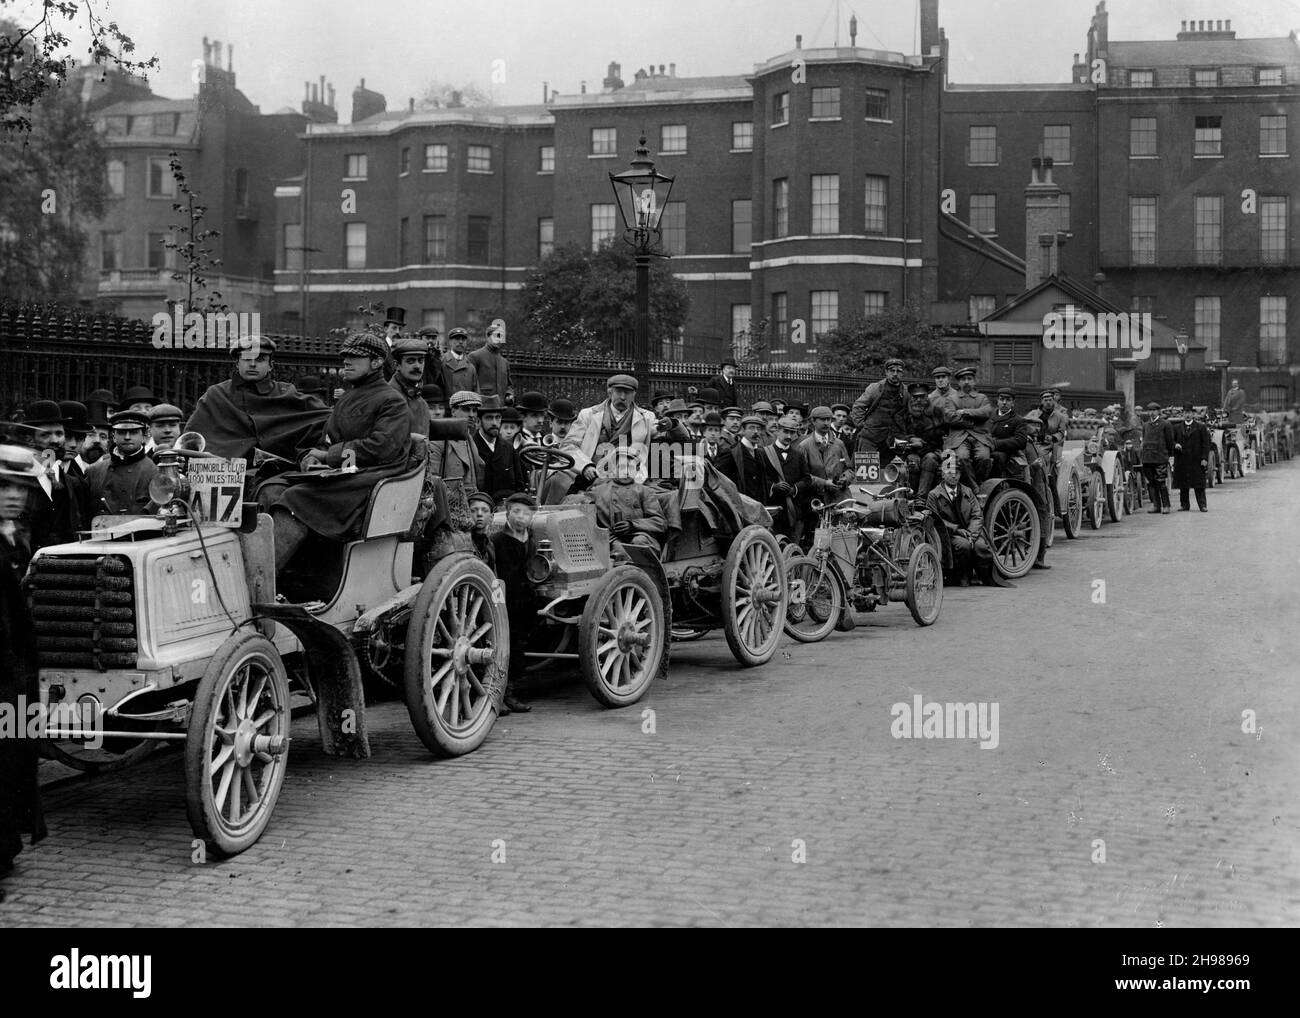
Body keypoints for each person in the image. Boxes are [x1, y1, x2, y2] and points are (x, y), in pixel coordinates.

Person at [271, 332, 412, 572]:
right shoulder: (349, 397)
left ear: (377, 362)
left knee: (296, 498)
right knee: (271, 488)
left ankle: (260, 581)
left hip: (372, 478)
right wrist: (312, 457)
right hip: (346, 473)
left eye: (355, 357)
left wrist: (328, 457)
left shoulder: (392, 400)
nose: (346, 361)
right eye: (345, 356)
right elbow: (328, 439)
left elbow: (381, 448)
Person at [0, 436, 46, 889]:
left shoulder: (15, 539)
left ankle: (6, 847)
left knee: (15, 761)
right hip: (2, 676)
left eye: (21, 488)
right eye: (4, 487)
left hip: (15, 676)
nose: (15, 496)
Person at [186, 337, 330, 465]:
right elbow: (191, 439)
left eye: (260, 359)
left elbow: (327, 417)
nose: (253, 364)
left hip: (276, 471)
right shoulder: (216, 394)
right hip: (224, 471)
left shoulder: (286, 392)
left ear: (270, 366)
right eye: (247, 359)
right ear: (237, 363)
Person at [490, 492, 538, 715]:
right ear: (508, 514)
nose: (521, 517)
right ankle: (498, 695)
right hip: (505, 599)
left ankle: (511, 692)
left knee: (519, 646)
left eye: (526, 513)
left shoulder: (532, 540)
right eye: (516, 512)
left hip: (525, 600)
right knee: (502, 646)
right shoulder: (499, 541)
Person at [565, 373, 657, 482]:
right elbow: (568, 445)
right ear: (610, 392)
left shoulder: (647, 417)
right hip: (593, 478)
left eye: (627, 393)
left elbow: (665, 435)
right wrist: (585, 466)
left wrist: (673, 426)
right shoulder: (588, 415)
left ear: (634, 394)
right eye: (618, 392)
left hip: (629, 479)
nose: (622, 397)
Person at [926, 452, 992, 585]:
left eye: (956, 472)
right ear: (943, 475)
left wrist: (972, 534)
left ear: (960, 475)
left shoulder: (967, 491)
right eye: (949, 472)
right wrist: (957, 530)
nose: (953, 475)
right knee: (963, 545)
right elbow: (935, 520)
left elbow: (977, 515)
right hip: (947, 534)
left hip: (970, 532)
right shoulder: (934, 495)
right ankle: (960, 576)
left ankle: (983, 576)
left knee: (980, 546)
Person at [587, 445, 668, 552]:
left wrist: (633, 525)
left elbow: (660, 523)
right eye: (621, 467)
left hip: (639, 535)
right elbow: (586, 515)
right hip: (610, 539)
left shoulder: (645, 491)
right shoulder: (598, 491)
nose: (626, 472)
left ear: (637, 469)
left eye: (631, 468)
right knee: (618, 549)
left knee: (639, 543)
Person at [85, 409, 158, 515]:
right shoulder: (94, 471)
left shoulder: (153, 472)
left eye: (133, 432)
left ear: (143, 436)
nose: (127, 437)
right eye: (122, 432)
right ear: (114, 436)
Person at [941, 367, 994, 488]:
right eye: (963, 379)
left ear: (974, 381)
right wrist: (973, 422)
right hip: (959, 437)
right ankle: (974, 487)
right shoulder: (951, 399)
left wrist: (965, 411)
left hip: (980, 436)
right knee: (961, 458)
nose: (966, 382)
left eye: (969, 379)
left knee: (984, 458)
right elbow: (949, 417)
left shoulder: (982, 398)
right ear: (958, 383)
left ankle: (980, 483)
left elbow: (985, 413)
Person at [764, 413, 813, 541]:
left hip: (793, 511)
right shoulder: (764, 453)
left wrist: (794, 489)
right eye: (785, 432)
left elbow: (807, 479)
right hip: (773, 510)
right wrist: (774, 487)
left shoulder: (798, 455)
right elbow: (760, 480)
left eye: (792, 432)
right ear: (777, 431)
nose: (789, 436)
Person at [891, 384, 945, 497]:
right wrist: (910, 439)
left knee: (930, 459)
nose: (918, 400)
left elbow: (945, 434)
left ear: (927, 397)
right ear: (910, 398)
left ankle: (921, 497)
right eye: (915, 397)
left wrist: (942, 450)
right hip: (910, 453)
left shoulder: (937, 413)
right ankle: (911, 495)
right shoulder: (902, 415)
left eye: (922, 397)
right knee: (912, 461)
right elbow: (893, 436)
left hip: (932, 451)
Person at [798, 405, 854, 514]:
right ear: (813, 421)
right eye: (823, 419)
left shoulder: (839, 444)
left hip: (840, 498)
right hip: (816, 499)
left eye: (829, 419)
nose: (826, 423)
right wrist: (824, 482)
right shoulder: (805, 446)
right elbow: (803, 476)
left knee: (842, 528)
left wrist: (845, 479)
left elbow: (850, 469)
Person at [714, 414, 779, 503]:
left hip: (757, 504)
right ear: (743, 430)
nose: (756, 432)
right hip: (739, 503)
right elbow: (719, 479)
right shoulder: (731, 452)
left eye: (758, 429)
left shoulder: (760, 452)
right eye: (751, 428)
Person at [471, 396, 525, 501]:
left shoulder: (509, 448)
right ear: (478, 421)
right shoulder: (471, 447)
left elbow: (519, 485)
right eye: (489, 418)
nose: (495, 423)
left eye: (498, 417)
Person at [850, 358, 908, 456]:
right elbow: (858, 406)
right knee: (867, 466)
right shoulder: (875, 388)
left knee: (892, 469)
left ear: (902, 373)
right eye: (892, 370)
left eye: (898, 371)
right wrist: (861, 425)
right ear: (886, 372)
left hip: (892, 440)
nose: (895, 374)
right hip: (871, 438)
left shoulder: (905, 391)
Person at [428, 390, 480, 488]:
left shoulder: (470, 438)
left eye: (474, 410)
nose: (472, 415)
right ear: (453, 411)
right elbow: (432, 479)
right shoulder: (439, 439)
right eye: (466, 409)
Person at [1172, 404, 1211, 512]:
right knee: (1183, 484)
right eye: (1185, 413)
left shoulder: (1201, 427)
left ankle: (1202, 505)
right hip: (1182, 459)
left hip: (1196, 460)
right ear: (1182, 414)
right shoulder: (1177, 428)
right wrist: (1175, 445)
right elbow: (1172, 441)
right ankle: (1184, 505)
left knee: (1199, 484)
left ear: (1193, 414)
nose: (1187, 415)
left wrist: (1204, 458)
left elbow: (1206, 444)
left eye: (1189, 413)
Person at [1139, 401, 1174, 514]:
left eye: (1154, 410)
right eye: (1150, 410)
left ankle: (1166, 505)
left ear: (1158, 411)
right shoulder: (1146, 425)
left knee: (1161, 482)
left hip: (1160, 457)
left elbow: (1170, 442)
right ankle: (1156, 506)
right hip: (1148, 459)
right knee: (1151, 483)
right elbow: (1144, 441)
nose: (1152, 413)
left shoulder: (1165, 424)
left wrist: (1170, 456)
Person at [987, 388, 1030, 479]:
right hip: (984, 447)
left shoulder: (1018, 420)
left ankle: (994, 485)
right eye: (1002, 399)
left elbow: (1021, 441)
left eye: (1008, 400)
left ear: (1013, 403)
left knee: (997, 457)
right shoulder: (988, 415)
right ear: (997, 401)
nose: (1004, 402)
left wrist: (996, 443)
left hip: (1005, 453)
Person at [467, 324, 511, 403]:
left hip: (501, 407)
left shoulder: (504, 362)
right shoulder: (475, 356)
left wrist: (509, 394)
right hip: (482, 406)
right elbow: (469, 384)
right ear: (487, 337)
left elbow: (509, 385)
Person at [442, 327, 479, 394]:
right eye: (457, 339)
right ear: (450, 342)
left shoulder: (471, 367)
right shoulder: (442, 362)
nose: (461, 342)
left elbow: (476, 392)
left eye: (463, 339)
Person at [466, 490, 496, 570]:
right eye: (473, 510)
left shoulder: (490, 545)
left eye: (485, 510)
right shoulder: (462, 542)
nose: (479, 514)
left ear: (491, 517)